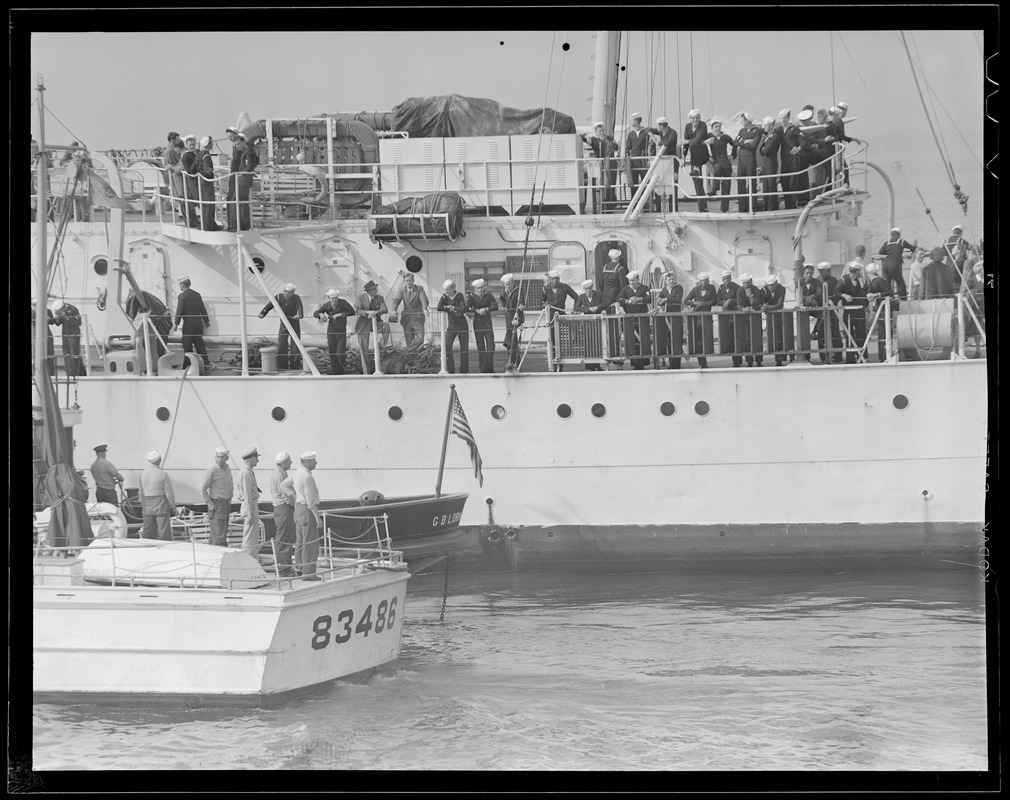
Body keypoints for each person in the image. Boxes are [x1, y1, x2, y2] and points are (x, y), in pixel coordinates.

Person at [284, 451, 322, 580]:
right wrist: (317, 517)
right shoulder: (307, 477)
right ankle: (309, 573)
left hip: (298, 509)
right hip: (307, 511)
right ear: (307, 462)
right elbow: (311, 501)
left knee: (300, 541)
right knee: (310, 543)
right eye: (313, 460)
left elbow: (284, 485)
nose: (315, 462)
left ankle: (299, 567)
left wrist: (295, 496)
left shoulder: (296, 473)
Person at [260, 282, 304, 371]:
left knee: (295, 345)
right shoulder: (279, 297)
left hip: (294, 322)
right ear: (284, 290)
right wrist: (262, 313)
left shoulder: (296, 298)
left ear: (293, 292)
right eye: (286, 291)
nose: (287, 293)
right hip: (284, 322)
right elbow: (269, 305)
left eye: (289, 292)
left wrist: (299, 315)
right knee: (281, 343)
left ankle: (295, 367)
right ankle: (282, 366)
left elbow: (300, 307)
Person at [543, 269, 580, 371]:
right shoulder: (545, 289)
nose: (555, 281)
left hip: (561, 314)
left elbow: (577, 297)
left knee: (573, 327)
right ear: (550, 279)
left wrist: (575, 309)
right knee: (553, 339)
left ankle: (574, 343)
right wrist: (544, 304)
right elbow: (542, 301)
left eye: (557, 279)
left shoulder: (564, 287)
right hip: (550, 317)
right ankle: (555, 362)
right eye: (553, 279)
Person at [314, 288, 355, 375]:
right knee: (332, 353)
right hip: (331, 331)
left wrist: (340, 314)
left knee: (340, 353)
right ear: (329, 298)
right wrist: (320, 314)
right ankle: (336, 372)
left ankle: (340, 370)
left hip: (341, 331)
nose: (334, 300)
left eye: (335, 298)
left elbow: (352, 311)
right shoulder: (327, 305)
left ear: (338, 297)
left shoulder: (343, 303)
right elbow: (316, 313)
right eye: (332, 298)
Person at [173, 277, 211, 371]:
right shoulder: (197, 295)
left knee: (187, 344)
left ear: (182, 285)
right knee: (199, 343)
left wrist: (176, 323)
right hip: (198, 323)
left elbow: (179, 311)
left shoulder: (182, 296)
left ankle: (187, 365)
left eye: (180, 285)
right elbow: (202, 308)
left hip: (189, 323)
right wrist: (206, 321)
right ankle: (206, 364)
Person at [126, 288, 173, 364]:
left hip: (160, 323)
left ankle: (156, 361)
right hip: (161, 322)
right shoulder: (156, 306)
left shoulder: (157, 314)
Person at [269, 451, 297, 576]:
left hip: (281, 509)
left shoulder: (278, 473)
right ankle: (283, 569)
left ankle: (283, 567)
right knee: (284, 539)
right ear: (284, 462)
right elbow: (286, 494)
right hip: (284, 508)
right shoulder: (280, 475)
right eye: (289, 460)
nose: (291, 462)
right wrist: (295, 503)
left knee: (284, 537)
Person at [617, 270, 652, 369]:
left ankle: (643, 363)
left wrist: (639, 299)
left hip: (643, 317)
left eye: (633, 280)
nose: (632, 283)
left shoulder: (644, 288)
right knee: (633, 340)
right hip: (630, 318)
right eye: (630, 281)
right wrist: (627, 301)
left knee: (644, 338)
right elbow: (619, 298)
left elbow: (649, 298)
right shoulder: (625, 289)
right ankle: (635, 363)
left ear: (638, 279)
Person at [643, 116, 679, 211]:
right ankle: (658, 208)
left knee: (672, 185)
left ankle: (673, 209)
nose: (657, 128)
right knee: (658, 184)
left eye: (658, 126)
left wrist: (655, 139)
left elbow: (667, 143)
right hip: (662, 163)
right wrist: (650, 134)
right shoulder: (661, 132)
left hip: (672, 163)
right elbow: (647, 129)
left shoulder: (672, 133)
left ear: (662, 126)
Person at [138, 449, 175, 541]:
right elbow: (169, 493)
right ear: (159, 460)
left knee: (148, 531)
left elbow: (140, 492)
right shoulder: (163, 474)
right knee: (163, 530)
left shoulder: (143, 473)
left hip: (147, 504)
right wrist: (173, 506)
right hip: (160, 503)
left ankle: (148, 549)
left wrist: (142, 504)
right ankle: (165, 548)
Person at [202, 446, 234, 547]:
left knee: (220, 533)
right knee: (219, 536)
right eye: (218, 457)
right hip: (217, 503)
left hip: (226, 503)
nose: (219, 459)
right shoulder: (212, 470)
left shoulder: (227, 469)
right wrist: (209, 504)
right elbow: (203, 489)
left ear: (227, 458)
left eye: (222, 457)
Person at [354, 280, 388, 374]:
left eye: (375, 289)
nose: (376, 291)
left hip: (375, 323)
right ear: (368, 291)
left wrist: (375, 313)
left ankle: (386, 347)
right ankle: (366, 372)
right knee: (364, 349)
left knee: (386, 326)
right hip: (363, 324)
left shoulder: (379, 298)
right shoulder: (361, 297)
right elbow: (357, 310)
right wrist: (367, 313)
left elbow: (384, 309)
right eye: (374, 289)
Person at [389, 273, 429, 351]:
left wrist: (424, 309)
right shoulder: (402, 290)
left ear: (413, 280)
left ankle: (406, 351)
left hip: (417, 318)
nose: (408, 282)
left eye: (410, 280)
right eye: (406, 281)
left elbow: (423, 299)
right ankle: (413, 362)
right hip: (406, 319)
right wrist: (393, 310)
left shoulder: (419, 289)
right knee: (409, 342)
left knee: (420, 339)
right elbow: (396, 301)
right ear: (404, 281)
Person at [227, 133, 259, 231]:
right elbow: (255, 162)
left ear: (243, 142)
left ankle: (234, 226)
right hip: (245, 178)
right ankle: (244, 224)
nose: (237, 146)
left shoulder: (247, 152)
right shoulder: (248, 151)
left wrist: (241, 173)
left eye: (238, 144)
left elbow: (249, 165)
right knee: (243, 201)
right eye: (236, 145)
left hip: (244, 179)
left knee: (234, 200)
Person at [684, 272, 716, 368]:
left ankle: (706, 357)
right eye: (702, 280)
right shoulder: (695, 290)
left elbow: (714, 301)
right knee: (698, 340)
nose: (704, 282)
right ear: (699, 282)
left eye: (706, 280)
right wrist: (695, 303)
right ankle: (702, 362)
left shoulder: (712, 288)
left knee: (706, 339)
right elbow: (686, 300)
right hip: (697, 318)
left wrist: (703, 304)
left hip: (706, 317)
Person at [583, 122, 619, 207]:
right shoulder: (594, 140)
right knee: (604, 185)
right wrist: (586, 136)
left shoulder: (609, 138)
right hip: (602, 166)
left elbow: (616, 147)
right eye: (600, 131)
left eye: (603, 131)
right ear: (596, 132)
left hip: (611, 164)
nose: (602, 133)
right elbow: (583, 137)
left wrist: (607, 140)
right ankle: (604, 205)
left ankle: (612, 204)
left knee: (612, 184)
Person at [437, 279, 470, 373]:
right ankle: (451, 370)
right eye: (445, 289)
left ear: (453, 288)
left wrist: (451, 307)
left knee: (464, 347)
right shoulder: (444, 296)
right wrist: (449, 308)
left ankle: (464, 370)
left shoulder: (459, 295)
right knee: (447, 346)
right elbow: (439, 307)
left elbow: (463, 309)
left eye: (448, 289)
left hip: (462, 325)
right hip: (452, 325)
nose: (446, 291)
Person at [839, 263, 869, 363]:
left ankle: (861, 356)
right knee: (849, 335)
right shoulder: (844, 280)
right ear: (856, 271)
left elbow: (864, 296)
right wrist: (844, 295)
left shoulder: (860, 281)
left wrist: (862, 285)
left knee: (861, 334)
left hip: (859, 311)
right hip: (849, 312)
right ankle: (850, 358)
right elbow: (836, 292)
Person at [573, 278, 605, 370]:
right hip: (587, 324)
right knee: (588, 343)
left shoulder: (598, 295)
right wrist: (588, 309)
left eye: (589, 288)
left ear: (592, 287)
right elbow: (576, 307)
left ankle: (597, 365)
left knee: (597, 343)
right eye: (585, 289)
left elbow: (607, 302)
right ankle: (590, 365)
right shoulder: (582, 297)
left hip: (597, 323)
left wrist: (597, 307)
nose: (588, 291)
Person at [468, 278, 498, 373]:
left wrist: (486, 309)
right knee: (480, 347)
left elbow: (495, 306)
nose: (480, 290)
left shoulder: (488, 295)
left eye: (481, 287)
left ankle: (490, 367)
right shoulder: (472, 296)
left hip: (487, 323)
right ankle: (483, 368)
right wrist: (476, 310)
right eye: (478, 288)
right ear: (475, 289)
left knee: (491, 345)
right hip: (477, 323)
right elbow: (467, 307)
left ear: (484, 287)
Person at [705, 120, 736, 213]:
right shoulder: (710, 136)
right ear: (712, 128)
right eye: (715, 127)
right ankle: (714, 188)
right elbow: (701, 142)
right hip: (716, 160)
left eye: (719, 127)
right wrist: (706, 143)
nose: (717, 129)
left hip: (726, 162)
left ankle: (724, 208)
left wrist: (733, 155)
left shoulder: (725, 137)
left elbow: (734, 144)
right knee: (717, 169)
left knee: (726, 185)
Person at [815, 262, 843, 363]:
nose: (830, 272)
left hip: (832, 310)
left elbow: (836, 293)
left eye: (830, 270)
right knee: (821, 334)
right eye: (828, 271)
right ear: (821, 271)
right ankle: (824, 357)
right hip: (821, 312)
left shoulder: (834, 281)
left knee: (835, 333)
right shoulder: (816, 282)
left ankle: (838, 356)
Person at [655, 271, 684, 369]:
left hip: (676, 317)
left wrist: (666, 299)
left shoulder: (678, 288)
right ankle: (671, 362)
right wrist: (659, 300)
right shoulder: (664, 290)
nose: (671, 281)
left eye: (672, 279)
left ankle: (676, 364)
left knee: (676, 339)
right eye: (669, 279)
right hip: (666, 318)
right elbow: (659, 301)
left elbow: (678, 300)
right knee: (668, 340)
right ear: (666, 281)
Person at [864, 263, 893, 362]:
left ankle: (884, 355)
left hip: (884, 310)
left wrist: (876, 294)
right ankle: (883, 355)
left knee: (884, 331)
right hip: (881, 310)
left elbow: (888, 292)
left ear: (868, 272)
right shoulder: (875, 281)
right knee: (882, 331)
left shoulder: (878, 281)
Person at [734, 114, 762, 212]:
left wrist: (742, 142)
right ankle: (742, 207)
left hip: (750, 159)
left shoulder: (757, 130)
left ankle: (752, 206)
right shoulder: (742, 131)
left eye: (743, 120)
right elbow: (735, 143)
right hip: (741, 159)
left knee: (751, 182)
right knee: (740, 182)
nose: (742, 122)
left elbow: (754, 144)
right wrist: (746, 141)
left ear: (747, 120)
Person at [237, 447, 262, 560]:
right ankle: (249, 560)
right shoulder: (247, 473)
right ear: (251, 458)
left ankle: (250, 559)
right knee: (250, 537)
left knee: (251, 536)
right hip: (250, 505)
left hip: (250, 504)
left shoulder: (244, 471)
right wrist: (250, 511)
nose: (257, 460)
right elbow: (247, 493)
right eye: (256, 458)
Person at [49, 299, 85, 377]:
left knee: (74, 354)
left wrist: (66, 317)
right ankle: (69, 374)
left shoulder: (73, 309)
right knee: (66, 354)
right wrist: (58, 317)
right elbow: (58, 323)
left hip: (74, 334)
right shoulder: (58, 311)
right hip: (65, 335)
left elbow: (78, 322)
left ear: (63, 307)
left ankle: (79, 373)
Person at [682, 109, 709, 211]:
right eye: (693, 118)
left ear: (699, 118)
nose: (695, 120)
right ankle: (702, 206)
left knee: (698, 181)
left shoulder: (703, 125)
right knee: (697, 182)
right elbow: (686, 145)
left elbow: (698, 140)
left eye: (697, 118)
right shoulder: (687, 127)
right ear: (690, 119)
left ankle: (703, 206)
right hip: (694, 157)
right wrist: (683, 157)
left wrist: (686, 141)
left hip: (702, 155)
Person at [878, 227, 916, 299]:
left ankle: (888, 300)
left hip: (886, 264)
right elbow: (911, 247)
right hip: (894, 265)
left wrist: (889, 251)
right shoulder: (901, 242)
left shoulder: (887, 243)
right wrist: (915, 248)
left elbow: (881, 252)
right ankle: (902, 300)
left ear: (892, 234)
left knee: (887, 284)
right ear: (899, 234)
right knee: (900, 283)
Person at [715, 269, 744, 366]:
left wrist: (730, 300)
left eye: (727, 278)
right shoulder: (721, 288)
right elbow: (717, 301)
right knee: (729, 338)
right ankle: (733, 359)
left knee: (737, 337)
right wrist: (724, 302)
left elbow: (740, 299)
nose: (726, 281)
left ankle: (738, 360)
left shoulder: (737, 288)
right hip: (725, 316)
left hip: (735, 315)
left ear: (731, 278)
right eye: (724, 279)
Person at [735, 273, 764, 366]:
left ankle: (759, 360)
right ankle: (749, 360)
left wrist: (751, 296)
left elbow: (756, 304)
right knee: (747, 339)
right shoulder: (740, 290)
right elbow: (739, 304)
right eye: (744, 283)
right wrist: (744, 309)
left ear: (751, 281)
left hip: (756, 317)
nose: (745, 285)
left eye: (747, 283)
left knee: (757, 338)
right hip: (745, 318)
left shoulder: (756, 290)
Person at [163, 131, 192, 224]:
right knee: (181, 198)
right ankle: (188, 219)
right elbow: (175, 165)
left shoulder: (173, 151)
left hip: (177, 176)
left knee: (182, 198)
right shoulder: (170, 151)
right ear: (172, 140)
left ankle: (188, 219)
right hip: (176, 178)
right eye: (177, 139)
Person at [194, 135, 222, 231]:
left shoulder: (199, 154)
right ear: (209, 144)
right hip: (207, 183)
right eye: (211, 143)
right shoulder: (206, 155)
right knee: (209, 205)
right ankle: (209, 227)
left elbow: (193, 168)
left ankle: (208, 225)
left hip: (201, 182)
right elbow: (206, 167)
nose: (212, 144)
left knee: (205, 205)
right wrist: (212, 171)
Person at [796, 263, 823, 363]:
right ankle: (806, 356)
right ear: (803, 273)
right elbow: (798, 294)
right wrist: (807, 298)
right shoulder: (799, 282)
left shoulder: (817, 282)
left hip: (814, 309)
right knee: (803, 334)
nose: (809, 275)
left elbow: (819, 293)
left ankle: (815, 332)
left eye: (811, 273)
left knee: (822, 322)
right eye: (807, 273)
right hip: (803, 310)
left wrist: (812, 297)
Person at [761, 273, 789, 366]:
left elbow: (780, 303)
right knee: (771, 335)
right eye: (768, 285)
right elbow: (761, 302)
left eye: (772, 285)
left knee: (780, 335)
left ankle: (780, 357)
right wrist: (764, 307)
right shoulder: (764, 289)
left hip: (779, 315)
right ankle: (771, 352)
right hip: (769, 316)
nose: (770, 287)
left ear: (776, 283)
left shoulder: (781, 289)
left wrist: (769, 308)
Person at [499, 273, 525, 370]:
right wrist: (505, 307)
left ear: (513, 283)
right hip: (508, 316)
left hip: (517, 315)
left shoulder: (518, 290)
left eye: (509, 284)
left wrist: (520, 306)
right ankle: (515, 361)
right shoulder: (503, 292)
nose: (508, 286)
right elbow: (502, 300)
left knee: (511, 335)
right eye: (506, 284)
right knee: (512, 338)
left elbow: (522, 301)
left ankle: (511, 355)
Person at [757, 116, 782, 211]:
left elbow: (767, 150)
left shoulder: (775, 136)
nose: (764, 127)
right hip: (766, 164)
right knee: (766, 186)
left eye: (766, 125)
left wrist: (764, 149)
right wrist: (763, 149)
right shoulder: (767, 137)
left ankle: (772, 207)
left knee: (771, 185)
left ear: (771, 126)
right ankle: (766, 206)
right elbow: (761, 150)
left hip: (771, 163)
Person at [625, 112, 650, 197]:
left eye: (631, 121)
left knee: (645, 183)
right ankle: (634, 205)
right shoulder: (630, 134)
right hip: (633, 162)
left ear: (636, 121)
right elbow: (627, 148)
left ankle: (646, 205)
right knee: (634, 184)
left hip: (643, 161)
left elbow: (651, 144)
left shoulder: (645, 132)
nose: (631, 122)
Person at [180, 134, 201, 228]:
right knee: (191, 200)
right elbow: (189, 170)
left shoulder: (197, 153)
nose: (192, 146)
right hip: (191, 181)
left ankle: (195, 220)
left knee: (194, 200)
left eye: (193, 144)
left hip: (198, 180)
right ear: (186, 145)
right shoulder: (186, 155)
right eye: (190, 145)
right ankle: (192, 221)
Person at [31, 298, 56, 373]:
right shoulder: (32, 312)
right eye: (34, 305)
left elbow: (52, 321)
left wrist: (48, 319)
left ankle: (50, 373)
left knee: (49, 353)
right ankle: (37, 373)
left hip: (47, 333)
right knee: (36, 354)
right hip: (36, 334)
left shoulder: (47, 311)